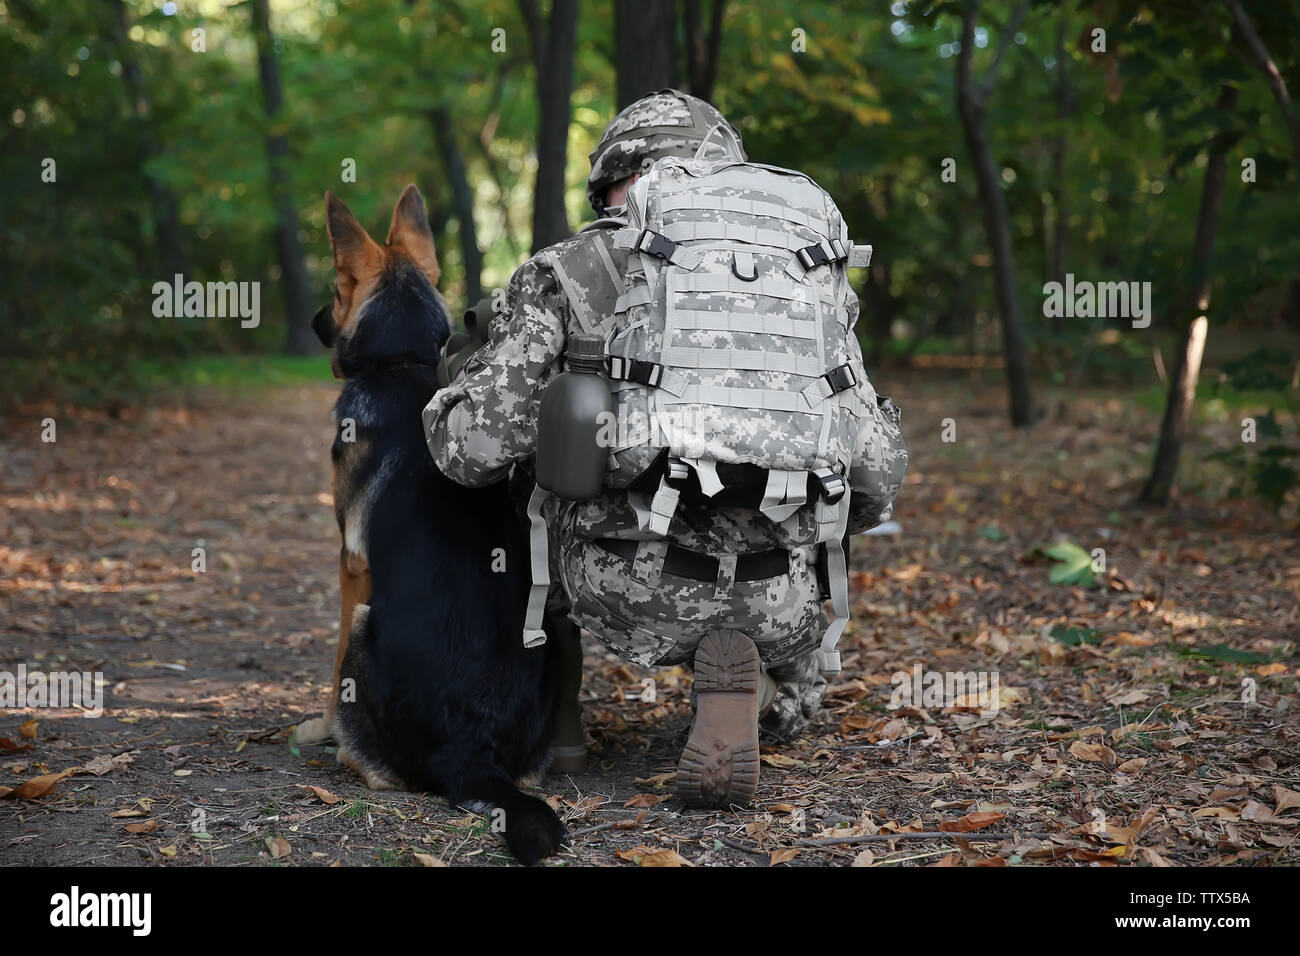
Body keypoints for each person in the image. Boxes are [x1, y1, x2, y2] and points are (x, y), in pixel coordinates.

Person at [423, 89, 907, 807]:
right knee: (820, 481)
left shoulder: (567, 269)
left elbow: (472, 450)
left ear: (617, 177)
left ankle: (559, 722)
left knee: (538, 468)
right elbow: (873, 481)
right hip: (783, 596)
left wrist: (444, 391)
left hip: (625, 585)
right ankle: (778, 695)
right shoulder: (805, 268)